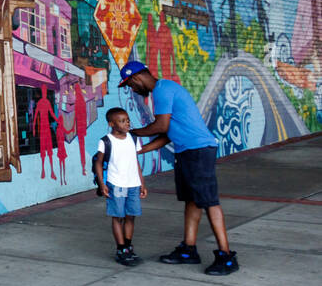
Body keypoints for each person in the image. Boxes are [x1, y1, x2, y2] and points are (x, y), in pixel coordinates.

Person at [118, 60, 239, 275]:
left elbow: (161, 126)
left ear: (136, 78)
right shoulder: (162, 91)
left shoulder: (162, 90)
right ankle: (189, 250)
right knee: (191, 200)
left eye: (130, 85)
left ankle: (226, 256)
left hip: (198, 150)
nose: (132, 90)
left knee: (209, 201)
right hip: (186, 151)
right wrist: (139, 150)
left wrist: (133, 133)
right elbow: (167, 134)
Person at [91, 106, 166, 266]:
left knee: (131, 216)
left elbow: (135, 162)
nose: (127, 124)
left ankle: (128, 246)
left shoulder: (133, 139)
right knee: (118, 217)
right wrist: (102, 184)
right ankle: (121, 249)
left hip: (133, 184)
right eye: (122, 121)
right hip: (115, 184)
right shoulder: (105, 141)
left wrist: (142, 183)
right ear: (112, 124)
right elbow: (98, 163)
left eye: (127, 120)